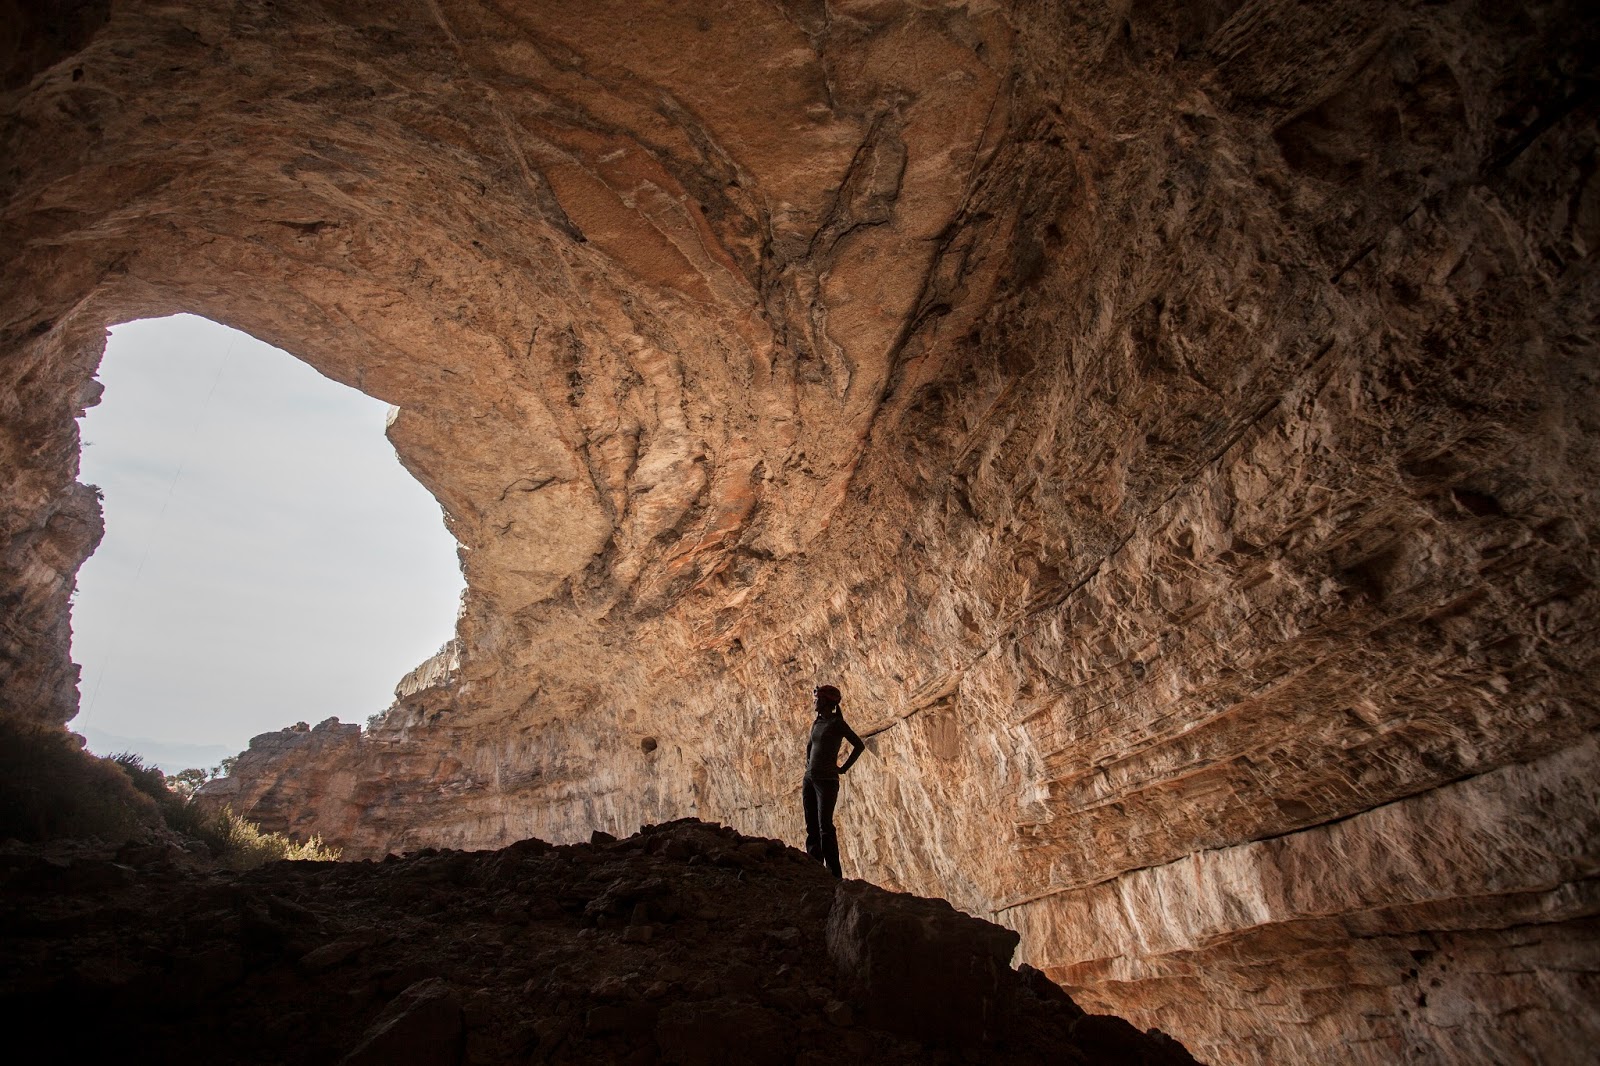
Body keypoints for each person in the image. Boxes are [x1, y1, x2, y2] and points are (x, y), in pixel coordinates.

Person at [802, 683, 865, 878]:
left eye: (817, 699)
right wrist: (808, 767)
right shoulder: (817, 722)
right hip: (811, 779)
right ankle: (815, 866)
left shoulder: (836, 723)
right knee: (811, 826)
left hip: (827, 781)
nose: (814, 702)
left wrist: (843, 768)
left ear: (827, 702)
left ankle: (833, 873)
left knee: (824, 826)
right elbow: (809, 746)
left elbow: (858, 745)